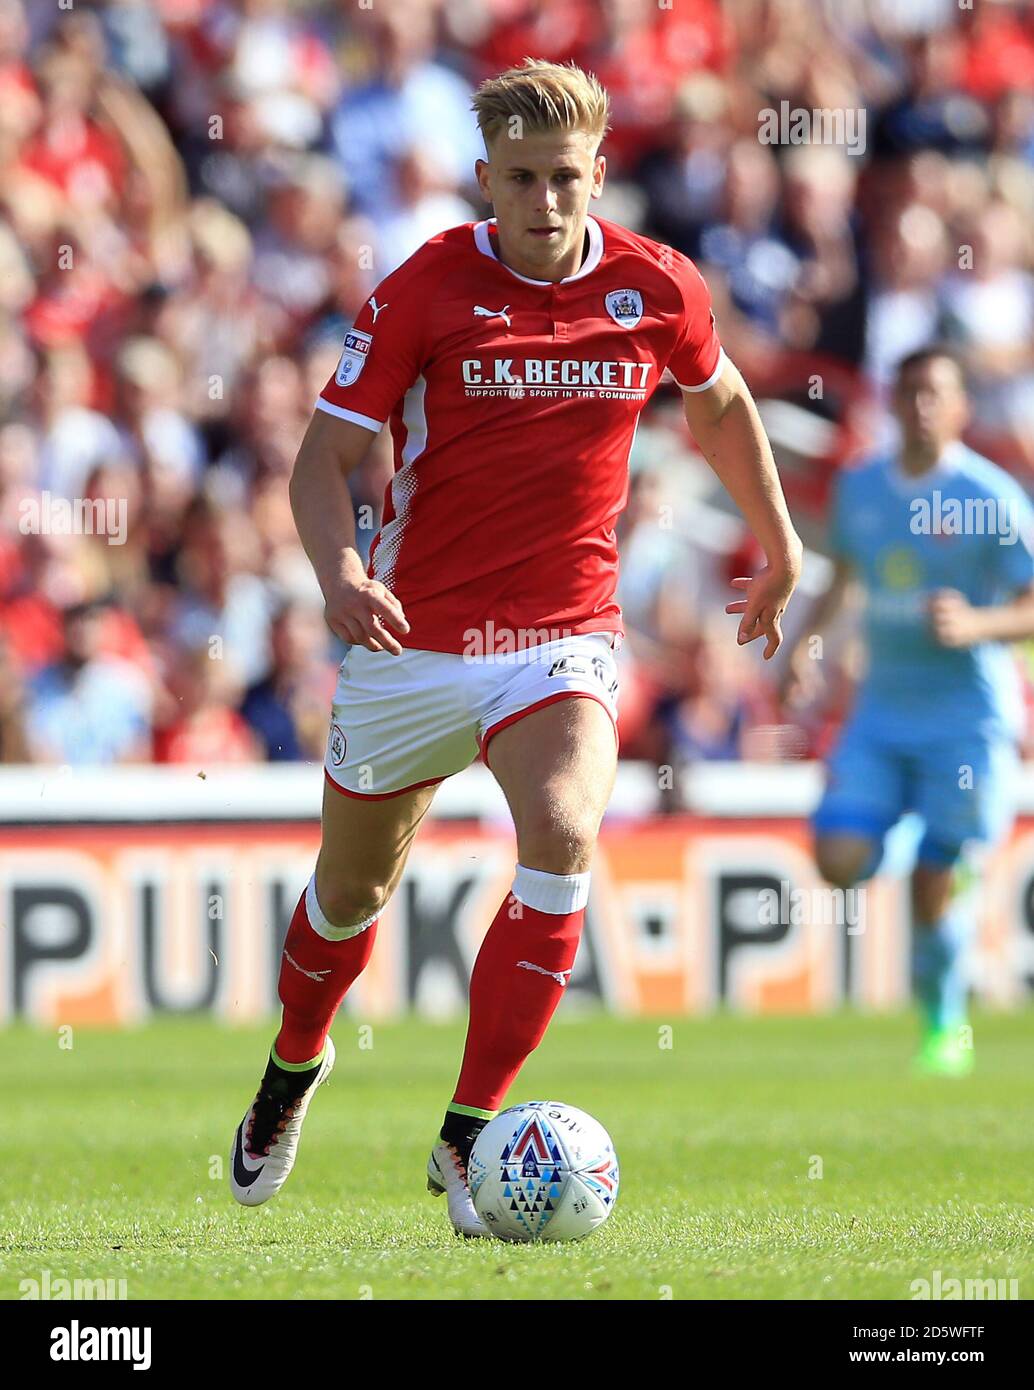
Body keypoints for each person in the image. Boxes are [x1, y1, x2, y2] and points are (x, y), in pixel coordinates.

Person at [229, 59, 801, 1236]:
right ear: (485, 179)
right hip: (410, 638)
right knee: (347, 894)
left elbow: (718, 403)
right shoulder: (424, 287)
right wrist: (339, 574)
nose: (546, 201)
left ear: (599, 175)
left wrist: (779, 540)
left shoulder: (656, 284)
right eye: (523, 178)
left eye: (566, 178)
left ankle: (467, 1130)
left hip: (559, 637)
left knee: (564, 828)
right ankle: (294, 1061)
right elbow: (323, 458)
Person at [783, 348, 1034, 1076]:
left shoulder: (990, 497)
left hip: (965, 719)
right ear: (892, 404)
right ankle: (906, 842)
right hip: (882, 713)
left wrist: (979, 625)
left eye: (936, 393)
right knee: (838, 860)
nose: (921, 405)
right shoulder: (860, 486)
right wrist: (805, 647)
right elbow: (845, 576)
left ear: (961, 408)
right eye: (910, 392)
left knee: (934, 886)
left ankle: (944, 1022)